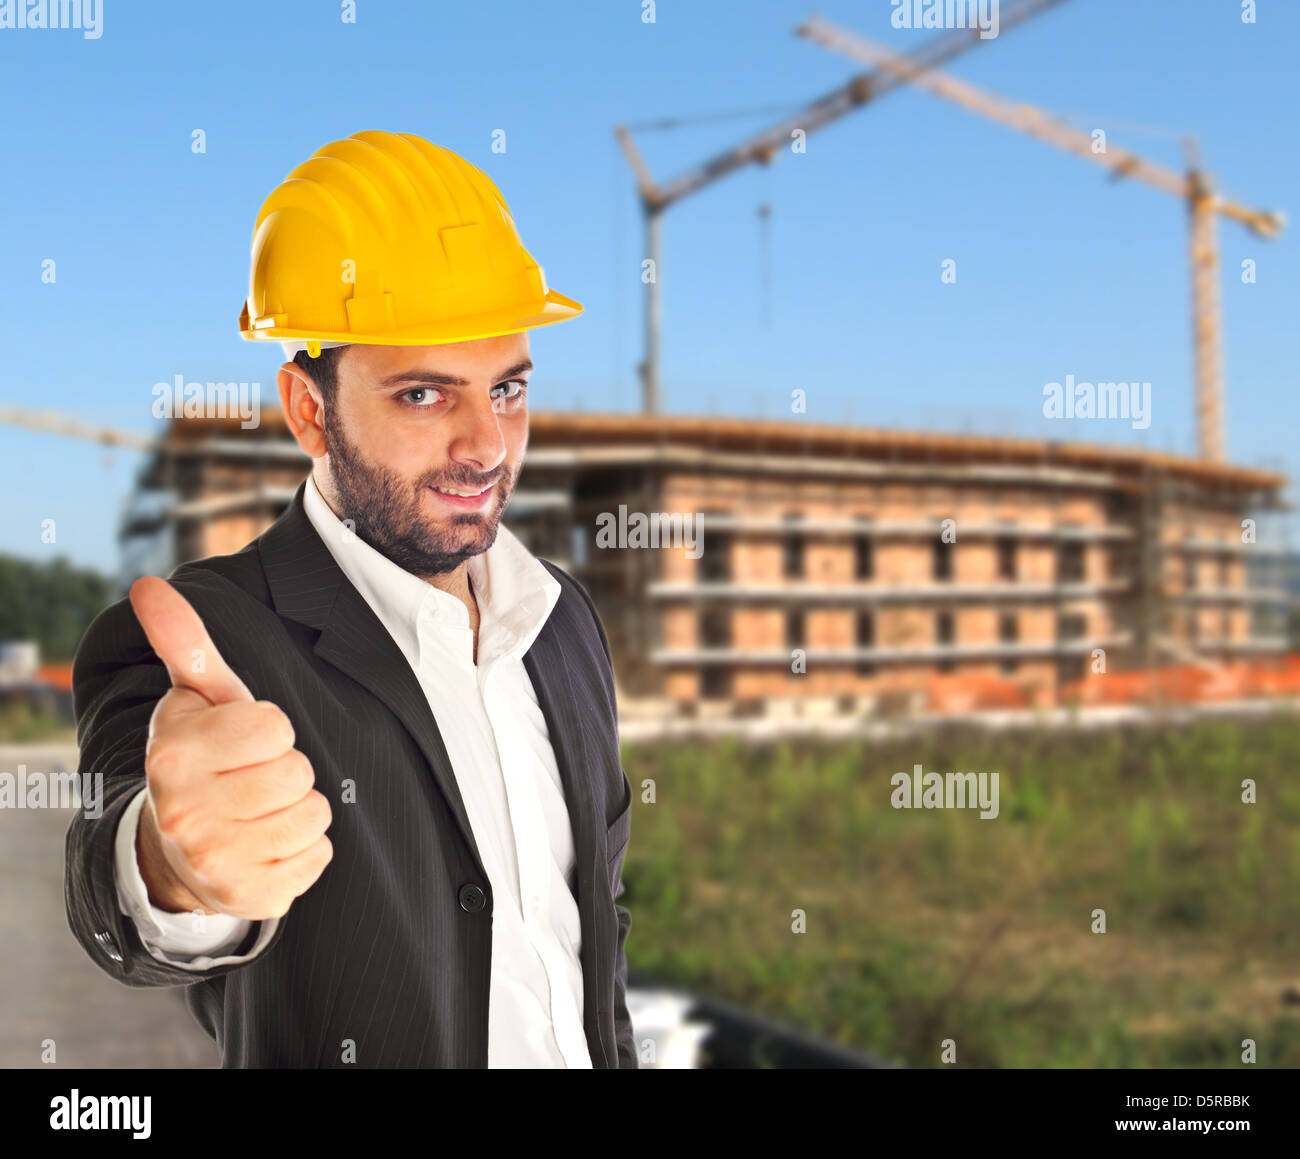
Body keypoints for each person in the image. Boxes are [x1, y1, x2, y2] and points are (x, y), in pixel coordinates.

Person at [65, 131, 636, 1068]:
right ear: (308, 410)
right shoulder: (204, 637)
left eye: (508, 388)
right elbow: (114, 886)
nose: (486, 444)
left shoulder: (564, 621)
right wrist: (172, 868)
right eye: (423, 394)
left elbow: (593, 933)